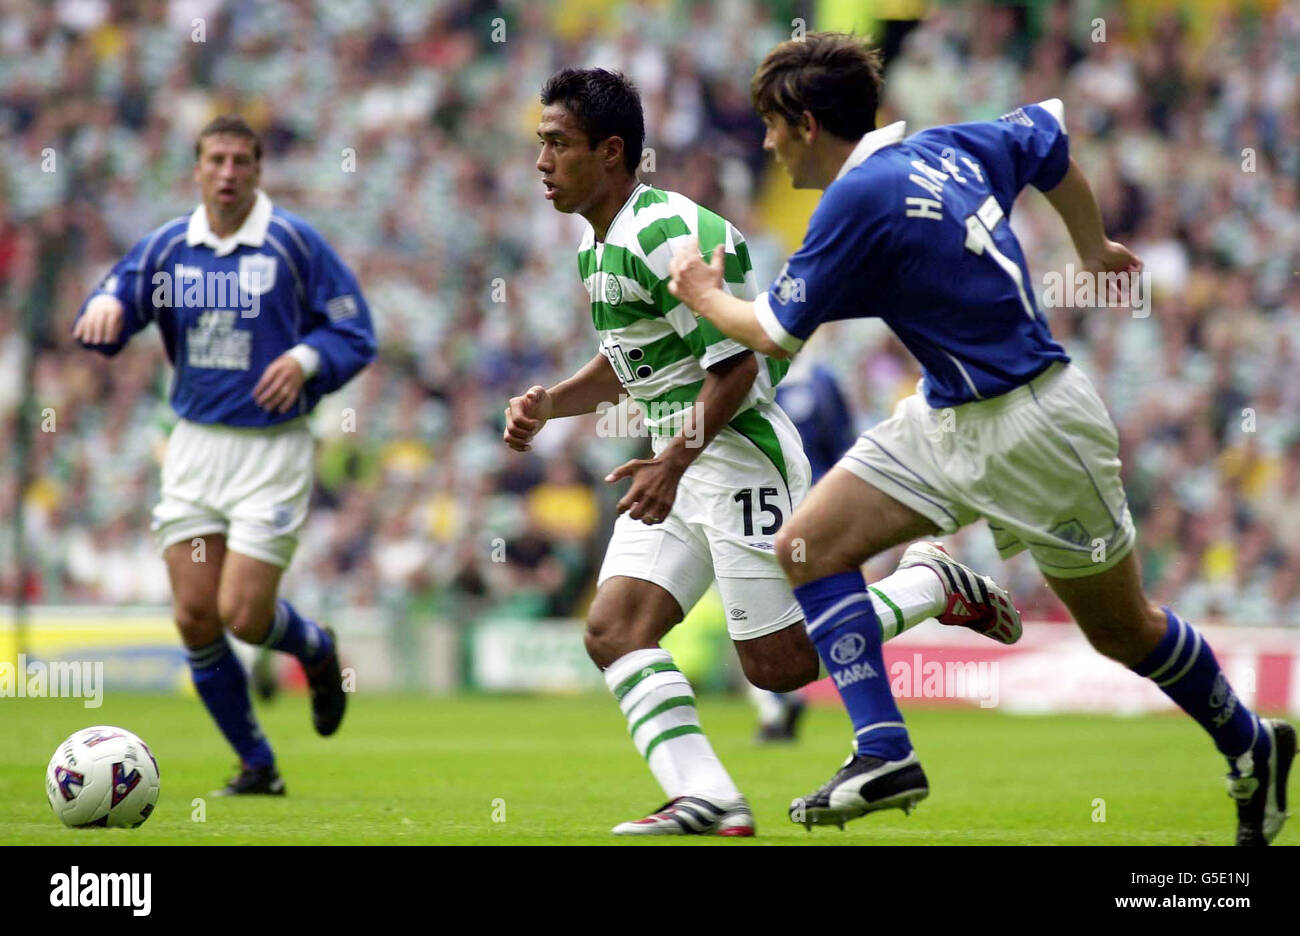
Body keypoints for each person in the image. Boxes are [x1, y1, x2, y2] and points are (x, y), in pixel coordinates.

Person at [666, 33, 1294, 844]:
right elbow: (1048, 137)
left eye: (771, 125)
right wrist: (1090, 244)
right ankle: (883, 749)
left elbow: (768, 334)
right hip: (947, 415)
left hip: (1037, 428)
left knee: (1122, 630)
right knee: (805, 550)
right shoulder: (945, 147)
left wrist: (700, 291)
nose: (766, 143)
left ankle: (1251, 746)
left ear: (808, 122)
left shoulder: (855, 200)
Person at [506, 67, 1021, 837]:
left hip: (735, 454)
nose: (541, 161)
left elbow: (738, 364)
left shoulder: (666, 233)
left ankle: (927, 582)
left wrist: (672, 462)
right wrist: (554, 402)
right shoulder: (596, 243)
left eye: (557, 144)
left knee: (777, 666)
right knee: (613, 629)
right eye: (540, 143)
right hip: (674, 465)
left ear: (611, 152)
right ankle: (708, 799)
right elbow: (635, 361)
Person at [73, 115, 377, 795]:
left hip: (271, 456)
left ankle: (316, 649)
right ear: (198, 169)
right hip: (194, 451)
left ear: (260, 170)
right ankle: (257, 764)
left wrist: (305, 359)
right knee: (194, 616)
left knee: (244, 614)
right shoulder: (168, 247)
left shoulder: (292, 242)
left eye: (242, 160)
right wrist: (103, 312)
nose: (229, 172)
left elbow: (356, 329)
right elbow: (115, 294)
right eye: (216, 159)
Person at [753, 343, 858, 742]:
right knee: (756, 605)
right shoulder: (754, 377)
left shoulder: (819, 381)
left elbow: (842, 447)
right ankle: (776, 705)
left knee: (812, 601)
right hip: (761, 509)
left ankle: (783, 702)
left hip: (813, 509)